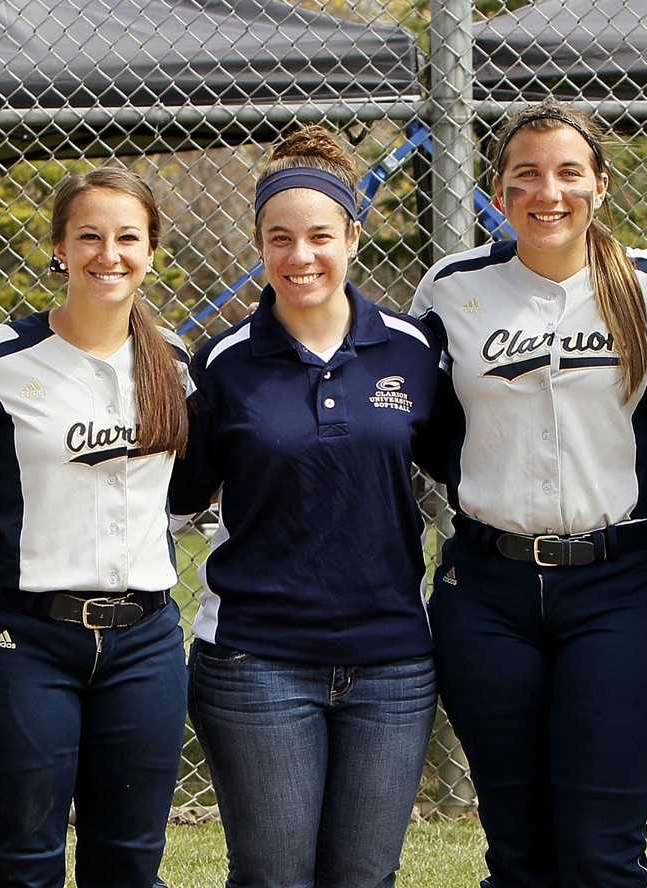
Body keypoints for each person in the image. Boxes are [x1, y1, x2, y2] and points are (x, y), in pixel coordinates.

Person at [411, 102, 647, 886]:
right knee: (519, 851)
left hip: (621, 585)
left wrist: (640, 462)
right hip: (488, 589)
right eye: (526, 175)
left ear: (601, 185)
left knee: (602, 850)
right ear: (500, 190)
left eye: (569, 172)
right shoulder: (454, 286)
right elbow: (425, 425)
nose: (548, 192)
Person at [167, 125, 442, 888]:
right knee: (274, 877)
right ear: (259, 243)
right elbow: (176, 498)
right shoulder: (224, 364)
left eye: (320, 236)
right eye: (279, 238)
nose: (301, 256)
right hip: (258, 658)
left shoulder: (412, 350)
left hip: (391, 660)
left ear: (352, 235)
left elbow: (470, 464)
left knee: (364, 878)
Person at [0, 168, 189, 888]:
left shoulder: (174, 361)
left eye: (127, 238)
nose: (108, 254)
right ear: (59, 248)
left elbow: (192, 485)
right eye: (88, 236)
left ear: (151, 251)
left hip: (144, 639)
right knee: (23, 864)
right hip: (26, 637)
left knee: (130, 864)